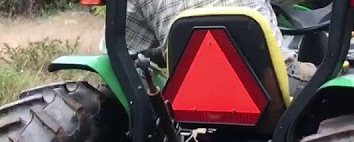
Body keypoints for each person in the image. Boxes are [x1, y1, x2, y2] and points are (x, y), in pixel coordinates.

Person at [109, 0, 317, 89]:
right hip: (270, 84)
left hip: (190, 91)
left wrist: (171, 48)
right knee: (327, 84)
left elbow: (122, 51)